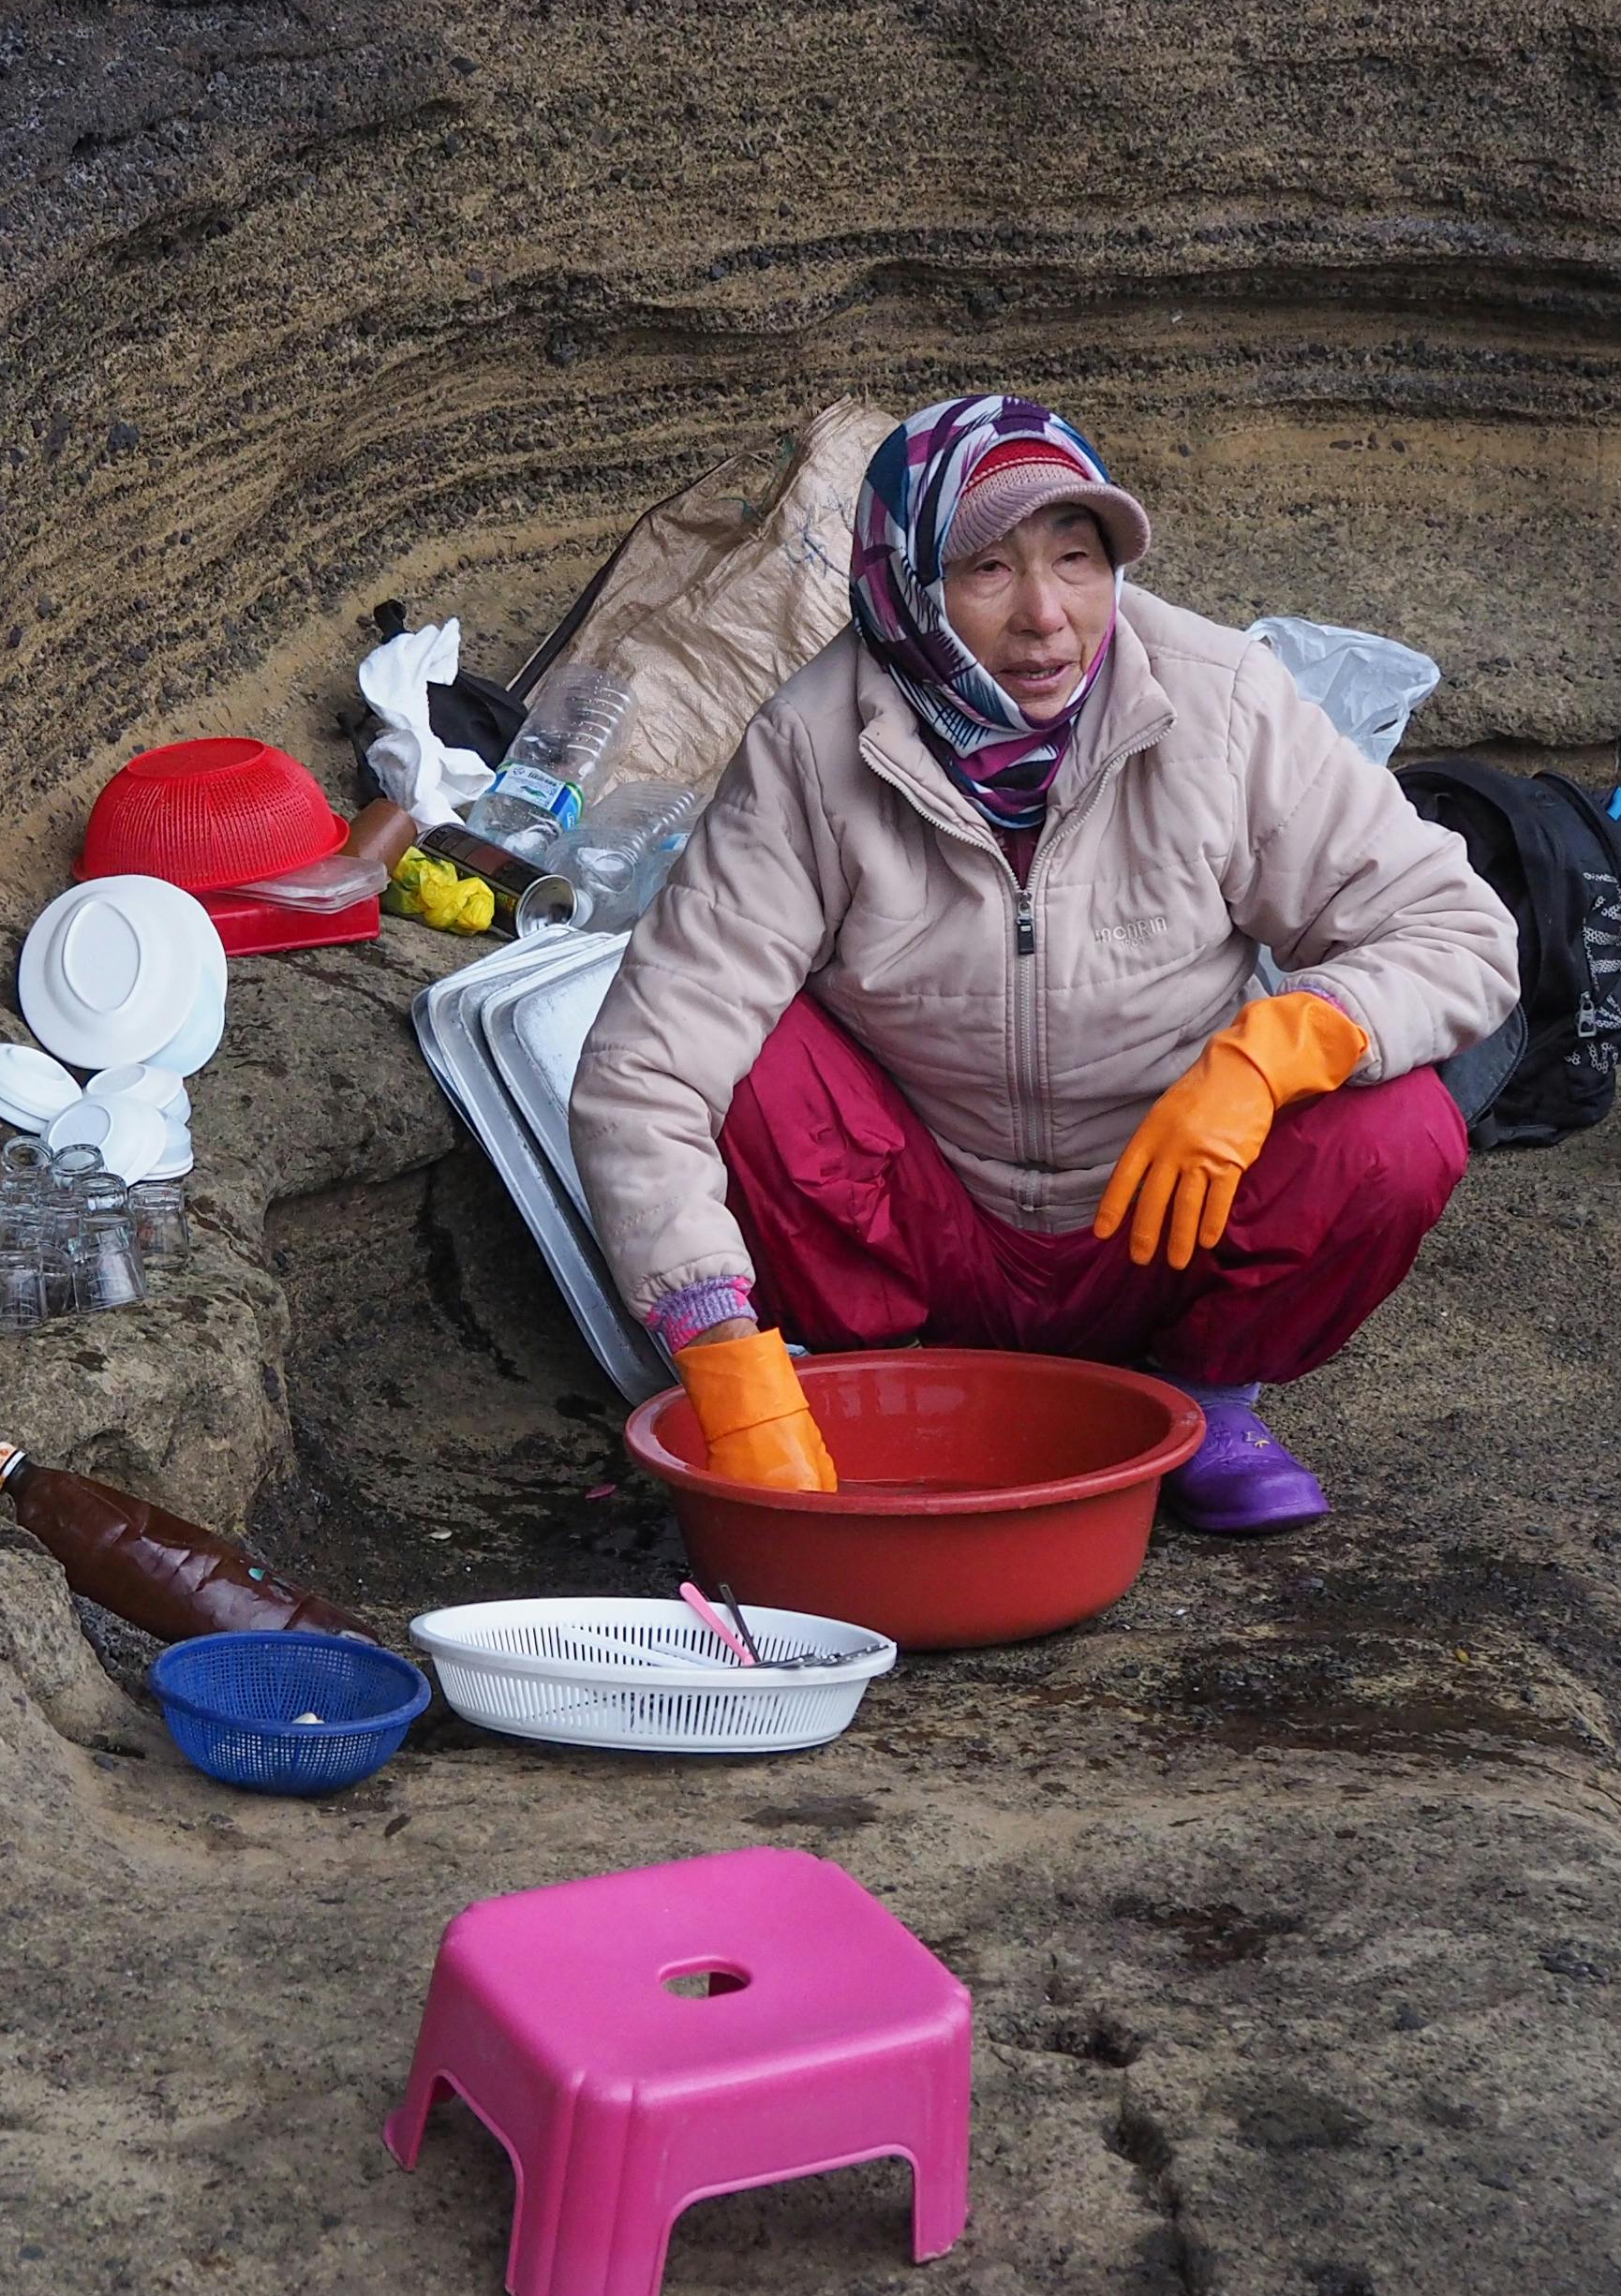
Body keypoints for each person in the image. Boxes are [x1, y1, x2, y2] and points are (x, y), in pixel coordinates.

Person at [569, 394, 1521, 1533]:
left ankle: (1203, 1400)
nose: (1046, 618)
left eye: (1078, 560)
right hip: (927, 1233)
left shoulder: (1217, 702)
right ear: (908, 585)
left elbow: (1459, 933)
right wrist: (722, 1361)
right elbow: (646, 1069)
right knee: (755, 1058)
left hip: (1162, 1222)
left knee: (1395, 1129)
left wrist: (1277, 1049)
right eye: (986, 571)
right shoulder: (813, 747)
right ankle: (885, 1385)